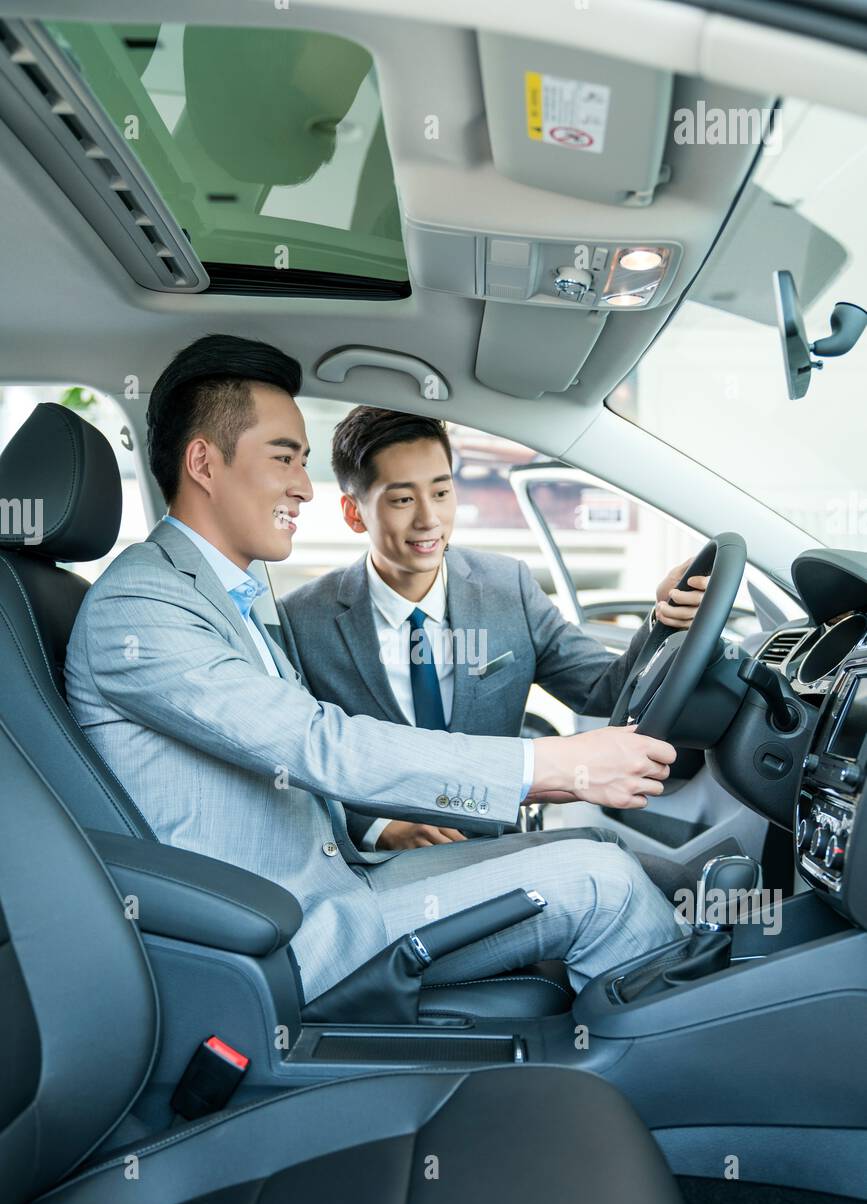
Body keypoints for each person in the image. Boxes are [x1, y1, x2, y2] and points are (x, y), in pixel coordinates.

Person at [65, 334, 684, 1005]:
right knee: (603, 884)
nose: (304, 487)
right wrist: (546, 767)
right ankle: (676, 1061)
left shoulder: (224, 596)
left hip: (337, 881)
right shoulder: (142, 604)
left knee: (598, 848)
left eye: (304, 463)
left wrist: (664, 626)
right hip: (278, 930)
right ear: (203, 463)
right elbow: (314, 742)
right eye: (284, 459)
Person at [279, 406, 707, 854]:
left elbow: (602, 689)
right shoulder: (302, 620)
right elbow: (293, 758)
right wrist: (375, 826)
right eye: (403, 500)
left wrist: (664, 618)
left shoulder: (509, 587)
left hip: (491, 851)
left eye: (441, 493)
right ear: (354, 513)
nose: (429, 519)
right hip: (371, 865)